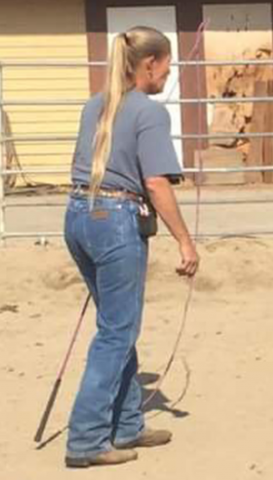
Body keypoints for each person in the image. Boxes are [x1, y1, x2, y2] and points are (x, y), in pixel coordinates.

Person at [63, 25, 199, 468]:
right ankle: (86, 437)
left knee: (117, 324)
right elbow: (156, 182)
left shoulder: (92, 106)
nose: (168, 75)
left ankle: (125, 425)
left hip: (80, 216)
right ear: (149, 65)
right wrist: (185, 241)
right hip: (117, 220)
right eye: (167, 66)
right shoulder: (149, 112)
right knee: (117, 331)